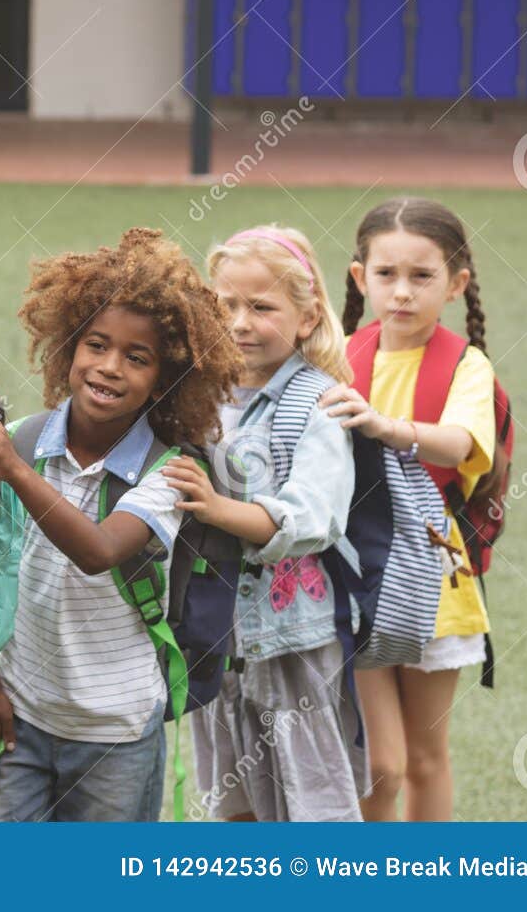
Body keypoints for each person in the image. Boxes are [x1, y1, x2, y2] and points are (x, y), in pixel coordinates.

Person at [0, 228, 239, 821]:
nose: (110, 368)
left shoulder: (171, 472)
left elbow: (99, 549)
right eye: (96, 346)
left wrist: (11, 469)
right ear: (69, 349)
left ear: (163, 379)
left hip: (117, 730)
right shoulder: (29, 440)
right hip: (21, 714)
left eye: (136, 358)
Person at [175, 227, 365, 821]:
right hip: (212, 635)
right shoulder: (199, 394)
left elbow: (316, 514)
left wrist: (215, 509)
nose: (239, 322)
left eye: (261, 307)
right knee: (229, 798)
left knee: (310, 801)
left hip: (291, 638)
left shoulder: (319, 401)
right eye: (225, 305)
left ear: (306, 319)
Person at [319, 198, 499, 821]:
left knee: (424, 757)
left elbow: (461, 442)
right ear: (357, 277)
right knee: (377, 762)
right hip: (355, 576)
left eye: (422, 277)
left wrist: (387, 426)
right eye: (385, 274)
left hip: (435, 578)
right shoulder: (336, 359)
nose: (401, 292)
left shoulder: (466, 365)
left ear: (456, 286)